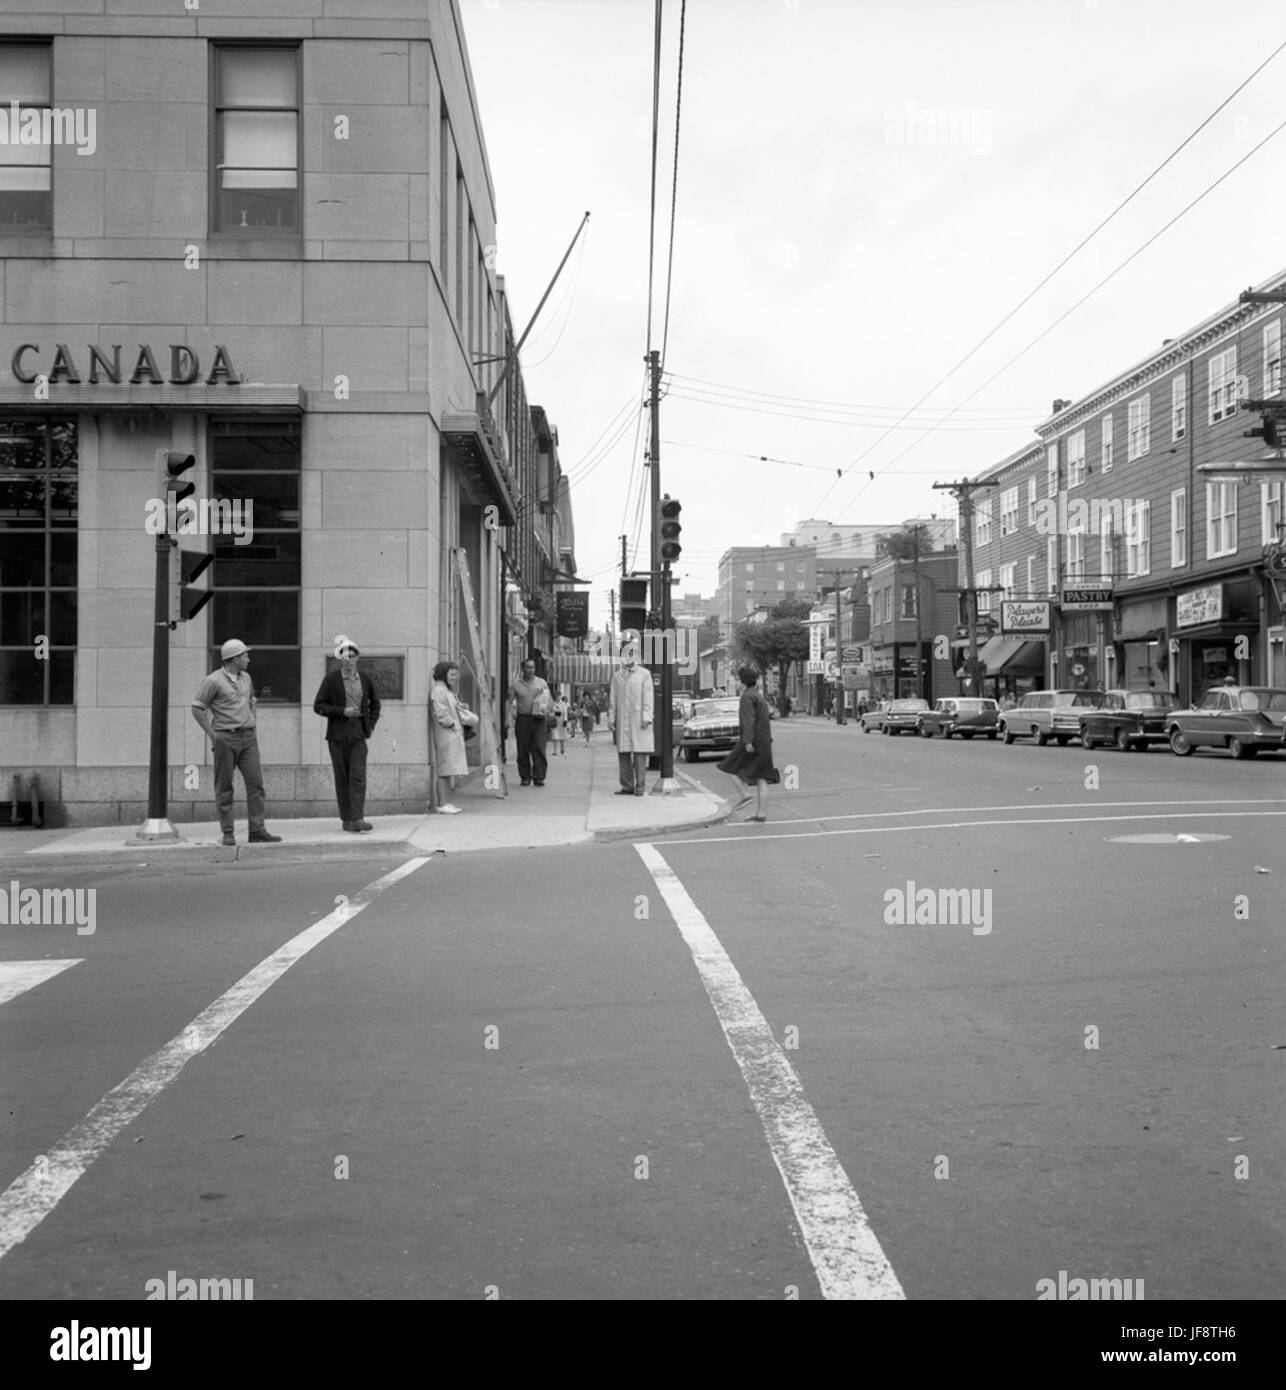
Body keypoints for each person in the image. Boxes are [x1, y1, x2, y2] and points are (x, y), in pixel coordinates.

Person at [191, 638, 281, 846]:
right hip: (225, 737)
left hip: (248, 738)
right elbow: (197, 708)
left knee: (256, 785)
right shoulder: (213, 681)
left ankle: (257, 830)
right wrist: (213, 735)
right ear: (234, 659)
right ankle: (228, 832)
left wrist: (253, 723)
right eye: (245, 656)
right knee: (224, 787)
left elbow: (251, 701)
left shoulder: (246, 678)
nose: (248, 659)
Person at [312, 640, 381, 831]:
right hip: (337, 734)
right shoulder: (331, 679)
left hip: (358, 733)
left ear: (357, 658)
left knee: (358, 776)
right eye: (344, 657)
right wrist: (343, 711)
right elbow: (319, 706)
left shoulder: (365, 679)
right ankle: (347, 819)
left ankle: (357, 817)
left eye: (352, 656)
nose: (348, 660)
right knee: (342, 777)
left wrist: (370, 725)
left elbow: (375, 704)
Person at [717, 666, 777, 823]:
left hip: (751, 740)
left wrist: (748, 741)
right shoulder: (758, 696)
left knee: (728, 766)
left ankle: (745, 795)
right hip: (764, 741)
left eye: (737, 679)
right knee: (762, 777)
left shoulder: (746, 697)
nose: (736, 682)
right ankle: (760, 814)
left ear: (743, 682)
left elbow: (748, 720)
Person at [430, 660, 479, 813]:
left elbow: (451, 708)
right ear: (443, 674)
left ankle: (445, 802)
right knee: (445, 769)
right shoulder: (438, 691)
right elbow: (441, 713)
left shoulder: (446, 690)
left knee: (449, 768)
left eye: (455, 674)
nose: (454, 677)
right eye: (451, 674)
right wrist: (452, 724)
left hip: (452, 733)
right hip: (447, 733)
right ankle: (442, 803)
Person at [608, 641, 653, 795]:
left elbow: (648, 698)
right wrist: (611, 718)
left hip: (639, 719)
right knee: (624, 753)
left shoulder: (644, 674)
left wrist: (646, 716)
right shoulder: (617, 676)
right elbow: (613, 700)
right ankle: (627, 786)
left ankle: (640, 787)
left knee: (639, 753)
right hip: (623, 719)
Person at [508, 657, 551, 786]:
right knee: (523, 749)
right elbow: (508, 701)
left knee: (539, 747)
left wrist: (546, 711)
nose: (530, 670)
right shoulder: (516, 684)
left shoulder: (541, 683)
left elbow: (550, 700)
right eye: (528, 667)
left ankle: (539, 776)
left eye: (532, 667)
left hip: (539, 720)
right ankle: (525, 776)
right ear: (523, 669)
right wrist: (507, 718)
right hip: (523, 719)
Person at [549, 683, 569, 755]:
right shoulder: (551, 704)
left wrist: (565, 720)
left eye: (559, 696)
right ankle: (555, 751)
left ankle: (562, 747)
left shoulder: (563, 704)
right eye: (556, 696)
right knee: (554, 736)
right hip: (554, 721)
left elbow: (565, 713)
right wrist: (554, 714)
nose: (558, 697)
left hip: (561, 721)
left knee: (562, 735)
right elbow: (548, 713)